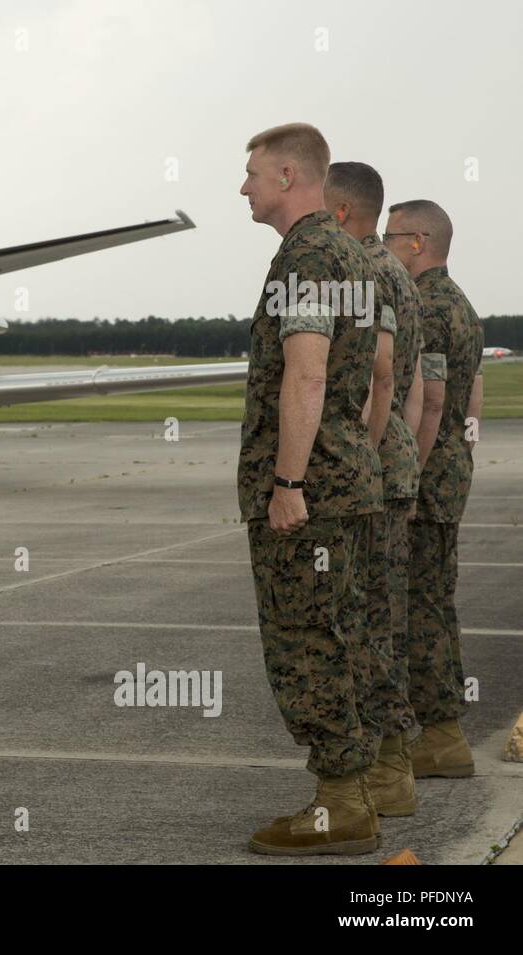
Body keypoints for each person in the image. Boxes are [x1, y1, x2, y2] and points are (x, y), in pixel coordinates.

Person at [237, 123, 384, 855]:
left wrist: (290, 481)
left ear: (289, 176)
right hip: (347, 481)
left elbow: (309, 373)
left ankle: (339, 805)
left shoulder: (306, 257)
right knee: (342, 634)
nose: (245, 188)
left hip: (312, 494)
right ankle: (352, 790)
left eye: (254, 174)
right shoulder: (355, 255)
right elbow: (368, 383)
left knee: (308, 642)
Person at [323, 162, 422, 817]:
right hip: (393, 464)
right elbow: (411, 386)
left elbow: (381, 379)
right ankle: (392, 767)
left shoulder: (365, 270)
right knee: (382, 621)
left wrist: (359, 454)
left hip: (373, 472)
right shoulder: (395, 272)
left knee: (368, 628)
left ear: (338, 212)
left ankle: (388, 768)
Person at [383, 200, 484, 778]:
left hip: (423, 481)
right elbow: (473, 398)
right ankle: (443, 735)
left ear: (418, 241)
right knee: (435, 603)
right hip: (447, 474)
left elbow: (436, 397)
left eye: (391, 236)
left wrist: (410, 475)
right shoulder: (462, 304)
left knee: (414, 608)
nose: (385, 245)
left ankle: (438, 734)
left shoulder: (423, 303)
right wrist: (458, 456)